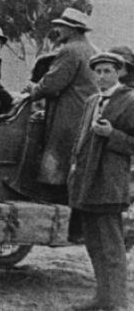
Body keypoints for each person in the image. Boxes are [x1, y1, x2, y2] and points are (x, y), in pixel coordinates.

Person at [67, 51, 134, 311]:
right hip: (86, 183)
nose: (102, 76)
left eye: (108, 71)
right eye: (98, 71)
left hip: (109, 184)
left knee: (112, 248)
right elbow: (81, 139)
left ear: (119, 73)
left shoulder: (129, 101)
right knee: (94, 245)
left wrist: (112, 135)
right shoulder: (92, 100)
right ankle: (102, 299)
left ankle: (116, 303)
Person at [23, 7, 98, 187]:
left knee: (58, 166)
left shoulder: (70, 50)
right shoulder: (92, 50)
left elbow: (51, 84)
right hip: (85, 114)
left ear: (72, 29)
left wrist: (32, 90)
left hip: (68, 116)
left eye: (62, 27)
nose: (58, 30)